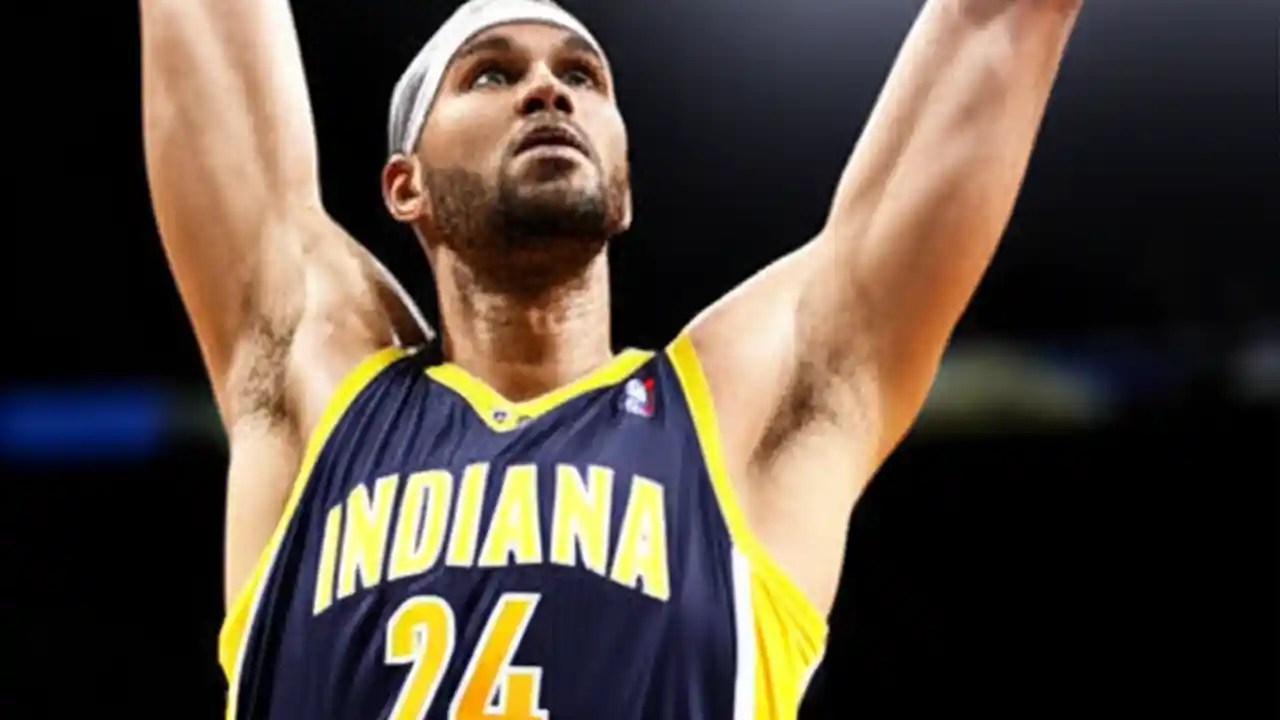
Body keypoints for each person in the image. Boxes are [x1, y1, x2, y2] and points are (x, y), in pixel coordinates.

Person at [139, 0, 1083, 717]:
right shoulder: (315, 387)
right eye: (489, 76)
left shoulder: (746, 416)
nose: (548, 89)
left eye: (583, 78)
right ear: (405, 184)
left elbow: (995, 23)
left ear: (622, 188)